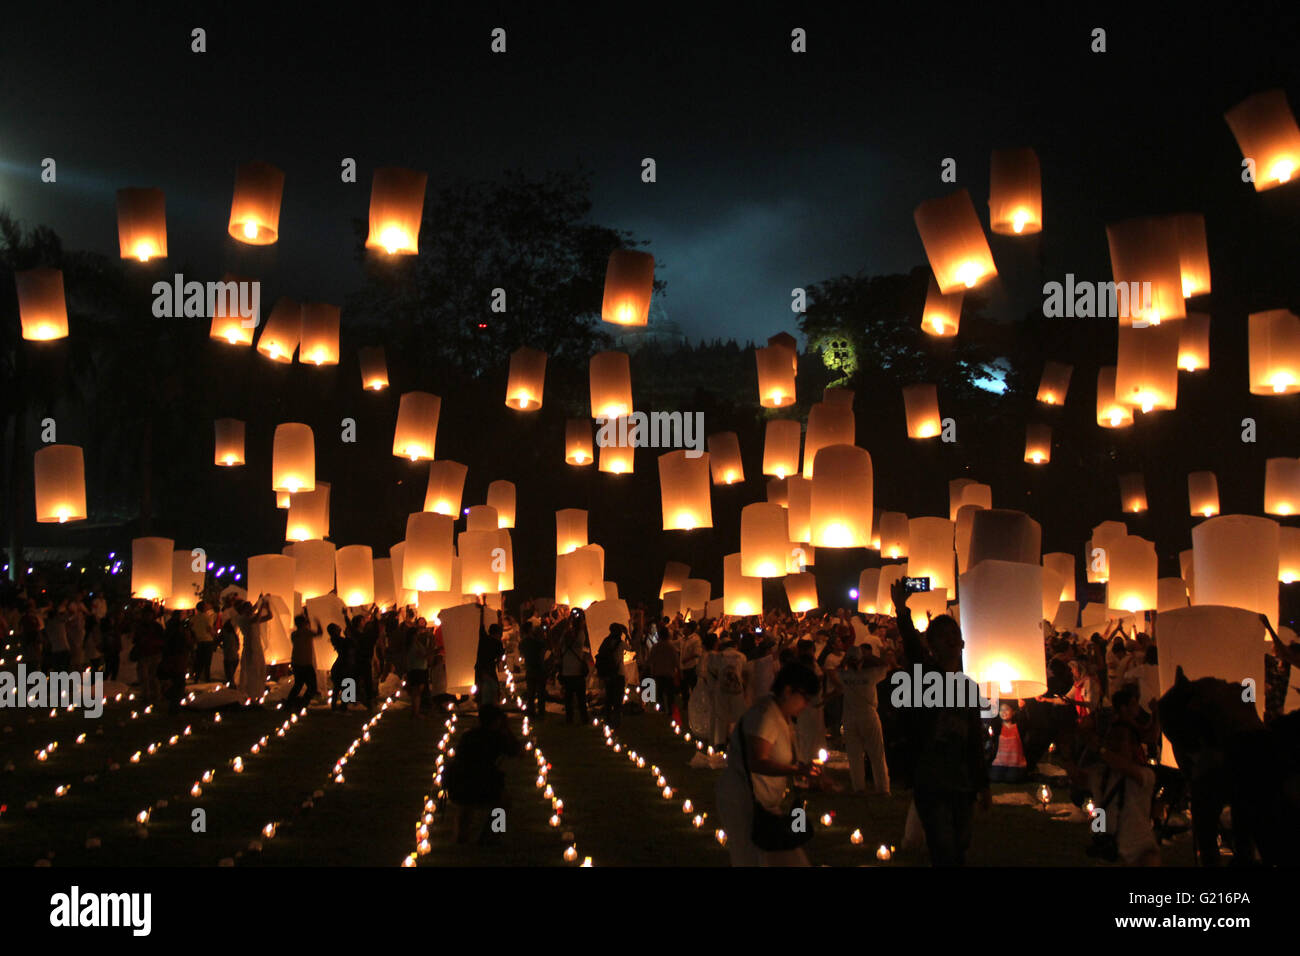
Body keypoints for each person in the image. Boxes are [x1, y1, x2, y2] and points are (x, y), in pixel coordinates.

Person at [890, 578, 990, 866]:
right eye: (943, 636)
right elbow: (911, 646)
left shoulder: (968, 688)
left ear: (962, 642)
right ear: (932, 645)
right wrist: (901, 609)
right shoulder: (925, 677)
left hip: (962, 781)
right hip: (931, 778)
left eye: (954, 635)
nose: (950, 641)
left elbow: (973, 739)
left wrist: (982, 784)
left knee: (959, 846)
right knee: (943, 847)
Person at [715, 662, 824, 866]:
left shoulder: (782, 716)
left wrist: (807, 774)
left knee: (788, 859)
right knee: (752, 860)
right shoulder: (765, 715)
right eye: (805, 698)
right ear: (788, 690)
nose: (806, 704)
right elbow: (757, 761)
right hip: (742, 802)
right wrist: (797, 769)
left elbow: (779, 759)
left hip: (765, 805)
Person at [1098, 687, 1160, 866]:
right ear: (1124, 708)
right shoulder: (1122, 728)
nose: (1137, 708)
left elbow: (1149, 734)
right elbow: (1149, 736)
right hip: (1129, 777)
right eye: (1133, 704)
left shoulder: (1125, 725)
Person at [444, 704, 523, 844]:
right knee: (503, 803)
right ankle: (493, 835)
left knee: (465, 807)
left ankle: (461, 837)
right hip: (483, 785)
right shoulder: (497, 738)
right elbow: (518, 751)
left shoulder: (468, 735)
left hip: (459, 783)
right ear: (497, 721)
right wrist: (507, 730)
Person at [838, 644, 891, 794]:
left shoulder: (844, 675)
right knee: (877, 753)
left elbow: (838, 668)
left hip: (849, 716)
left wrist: (846, 661)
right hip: (868, 714)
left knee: (854, 754)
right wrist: (868, 656)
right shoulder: (871, 674)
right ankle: (883, 788)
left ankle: (858, 787)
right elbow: (884, 665)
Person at [235, 596, 273, 700]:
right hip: (250, 645)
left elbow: (269, 616)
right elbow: (255, 619)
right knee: (252, 667)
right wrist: (261, 606)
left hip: (257, 644)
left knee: (259, 667)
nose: (251, 609)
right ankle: (250, 691)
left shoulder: (251, 617)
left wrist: (267, 605)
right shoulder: (242, 619)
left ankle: (258, 691)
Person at [557, 613, 592, 724]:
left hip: (566, 672)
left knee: (568, 699)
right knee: (581, 698)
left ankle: (569, 719)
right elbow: (581, 631)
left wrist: (568, 622)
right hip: (577, 672)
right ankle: (584, 718)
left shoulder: (564, 638)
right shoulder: (580, 637)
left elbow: (560, 643)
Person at [596, 623, 631, 727]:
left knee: (609, 697)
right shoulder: (621, 644)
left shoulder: (606, 642)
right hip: (618, 673)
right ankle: (616, 720)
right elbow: (632, 648)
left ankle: (607, 718)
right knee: (618, 699)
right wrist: (627, 634)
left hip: (608, 673)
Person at [988, 702, 1028, 783]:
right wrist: (993, 706)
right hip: (999, 763)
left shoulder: (1018, 727)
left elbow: (1024, 721)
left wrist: (1021, 709)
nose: (1003, 712)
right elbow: (993, 721)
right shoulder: (998, 727)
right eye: (1001, 710)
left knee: (1012, 779)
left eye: (1006, 709)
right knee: (995, 778)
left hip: (1015, 764)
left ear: (1013, 712)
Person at [286, 614, 321, 706]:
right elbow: (319, 633)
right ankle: (302, 702)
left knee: (298, 685)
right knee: (312, 687)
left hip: (296, 662)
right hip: (305, 664)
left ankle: (290, 703)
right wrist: (318, 623)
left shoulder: (294, 634)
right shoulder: (306, 632)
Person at [475, 602, 505, 708]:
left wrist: (482, 612)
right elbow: (500, 658)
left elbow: (481, 625)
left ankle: (481, 708)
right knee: (493, 689)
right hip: (489, 669)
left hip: (479, 668)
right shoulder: (498, 643)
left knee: (480, 690)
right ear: (498, 633)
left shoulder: (483, 638)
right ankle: (493, 707)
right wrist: (499, 617)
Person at [518, 621, 550, 720]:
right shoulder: (536, 642)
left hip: (530, 669)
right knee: (540, 692)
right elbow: (544, 649)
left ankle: (531, 711)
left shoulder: (522, 643)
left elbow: (522, 653)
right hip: (539, 668)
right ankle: (541, 712)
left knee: (531, 692)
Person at [646, 626, 681, 716]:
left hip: (658, 672)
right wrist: (679, 671)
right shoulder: (671, 647)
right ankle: (670, 710)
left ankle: (662, 708)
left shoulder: (655, 647)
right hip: (669, 673)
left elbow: (650, 660)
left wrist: (650, 670)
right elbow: (676, 660)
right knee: (670, 693)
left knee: (660, 692)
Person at [405, 623, 430, 718]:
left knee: (416, 692)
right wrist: (432, 652)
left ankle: (415, 711)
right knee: (417, 692)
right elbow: (421, 655)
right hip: (417, 669)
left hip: (416, 669)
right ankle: (416, 712)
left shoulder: (414, 644)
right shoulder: (414, 645)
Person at [329, 622, 355, 711]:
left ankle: (338, 705)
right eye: (338, 627)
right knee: (344, 685)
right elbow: (348, 644)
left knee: (339, 686)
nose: (340, 627)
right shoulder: (338, 640)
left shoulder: (338, 639)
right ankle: (342, 706)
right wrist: (348, 636)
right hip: (343, 666)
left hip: (342, 665)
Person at [191, 601, 217, 682]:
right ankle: (207, 678)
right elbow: (209, 629)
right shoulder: (207, 617)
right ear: (204, 608)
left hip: (198, 641)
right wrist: (215, 635)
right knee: (207, 661)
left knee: (199, 660)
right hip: (207, 641)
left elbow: (191, 628)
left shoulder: (194, 618)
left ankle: (197, 677)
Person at [219, 609, 241, 686]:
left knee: (230, 667)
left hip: (230, 652)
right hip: (231, 652)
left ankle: (230, 680)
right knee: (231, 666)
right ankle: (231, 681)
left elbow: (219, 639)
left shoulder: (227, 632)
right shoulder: (230, 632)